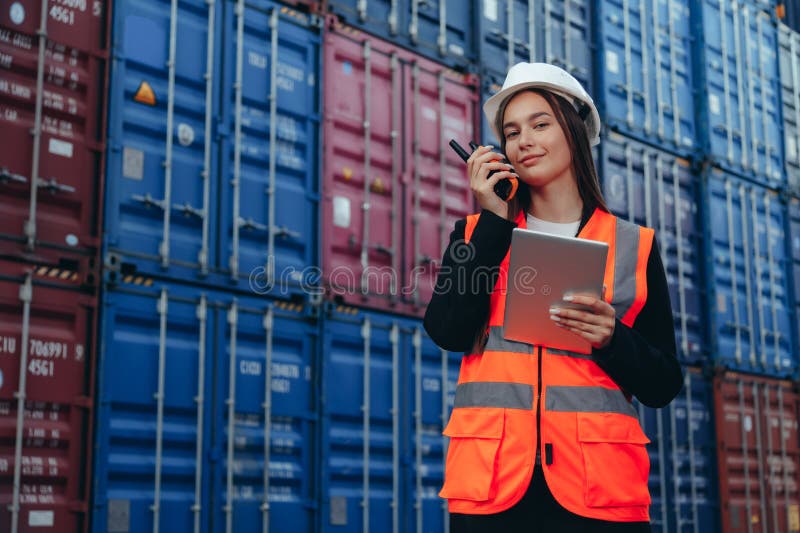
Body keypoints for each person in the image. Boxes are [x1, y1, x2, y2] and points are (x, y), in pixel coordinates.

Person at [423, 62, 684, 533]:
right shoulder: (476, 233)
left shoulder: (633, 245)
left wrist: (611, 339)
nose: (524, 140)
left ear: (576, 132)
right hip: (493, 489)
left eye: (541, 124)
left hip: (598, 493)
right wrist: (495, 221)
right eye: (511, 131)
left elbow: (663, 384)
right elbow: (447, 331)